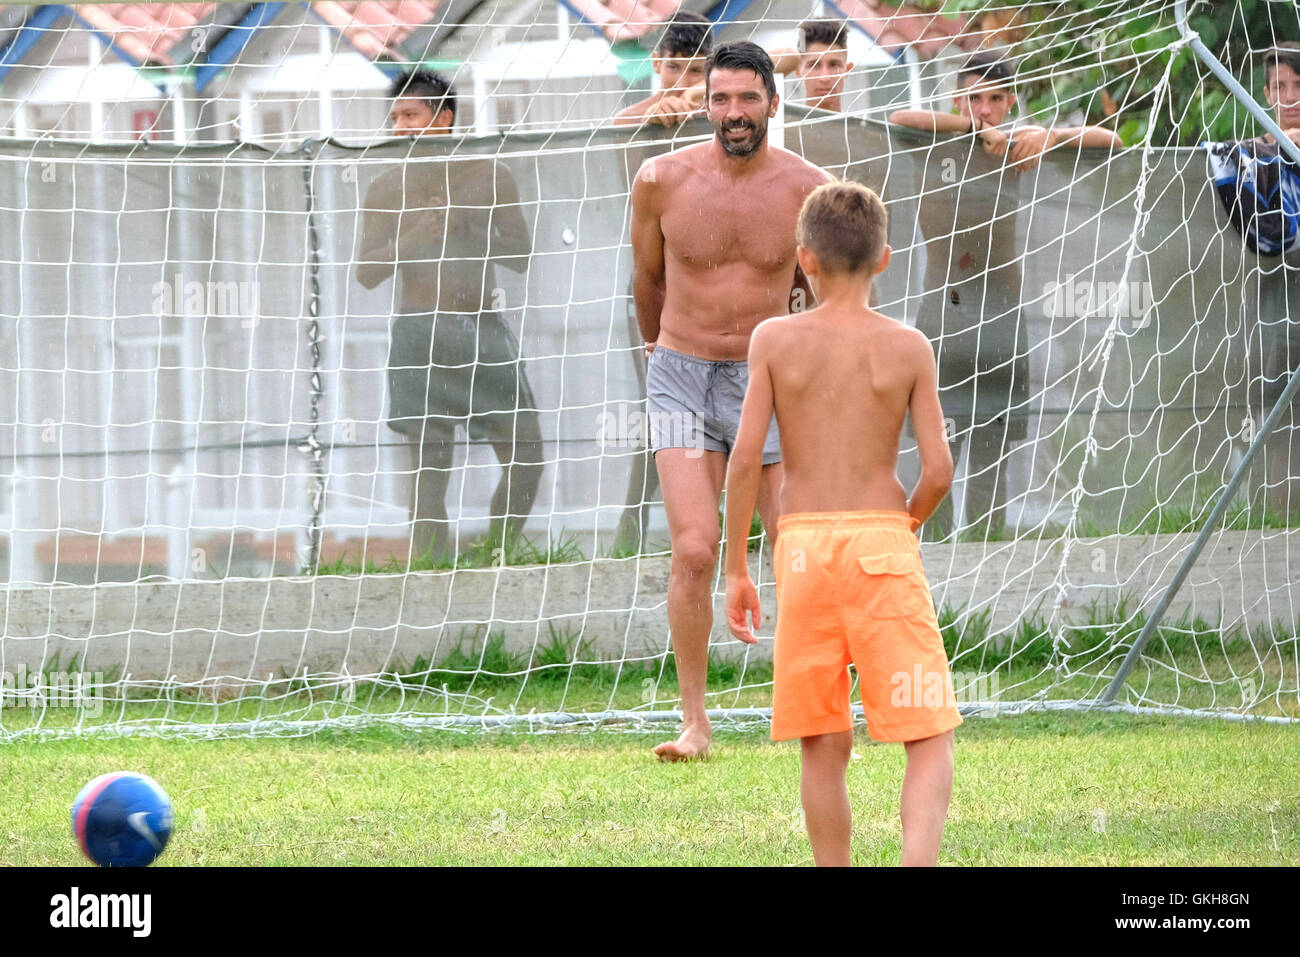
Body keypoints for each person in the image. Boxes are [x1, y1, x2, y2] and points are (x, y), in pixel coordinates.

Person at [723, 180, 961, 867]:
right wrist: (905, 522)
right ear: (884, 259)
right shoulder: (910, 346)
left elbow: (744, 462)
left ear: (805, 260)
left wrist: (737, 566)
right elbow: (939, 469)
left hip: (802, 552)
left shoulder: (772, 338)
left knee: (823, 740)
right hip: (881, 544)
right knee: (928, 732)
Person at [630, 41, 832, 761]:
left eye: (749, 99)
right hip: (681, 375)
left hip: (768, 380)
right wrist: (659, 351)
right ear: (705, 104)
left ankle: (811, 708)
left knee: (792, 545)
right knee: (693, 548)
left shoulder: (810, 188)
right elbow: (647, 280)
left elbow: (821, 292)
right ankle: (696, 723)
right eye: (721, 99)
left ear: (774, 103)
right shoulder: (660, 179)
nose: (734, 113)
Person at [889, 53, 1120, 536]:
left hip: (1001, 311)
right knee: (939, 452)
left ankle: (985, 556)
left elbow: (1112, 140)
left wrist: (1051, 136)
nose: (985, 109)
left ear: (1011, 102)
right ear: (958, 99)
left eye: (996, 100)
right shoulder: (935, 139)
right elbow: (899, 117)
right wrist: (974, 129)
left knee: (994, 451)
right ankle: (930, 556)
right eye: (974, 98)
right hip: (944, 311)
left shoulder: (1020, 146)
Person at [356, 70, 543, 563]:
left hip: (482, 328)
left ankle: (494, 552)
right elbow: (366, 272)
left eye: (410, 115)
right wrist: (412, 239)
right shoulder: (384, 185)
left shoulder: (488, 174)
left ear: (443, 119)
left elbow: (520, 254)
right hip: (420, 333)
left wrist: (466, 226)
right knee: (429, 468)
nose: (400, 127)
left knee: (527, 456)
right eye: (395, 117)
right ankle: (435, 571)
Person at [1207, 43, 1300, 517]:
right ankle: (1278, 513)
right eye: (1279, 88)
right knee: (1275, 411)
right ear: (1264, 94)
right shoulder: (1253, 158)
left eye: (1298, 86)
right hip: (1276, 300)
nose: (1289, 97)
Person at [612, 11, 713, 128]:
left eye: (695, 70)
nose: (682, 84)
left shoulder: (719, 113)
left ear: (709, 70)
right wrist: (649, 125)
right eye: (673, 67)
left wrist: (690, 94)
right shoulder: (628, 120)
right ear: (656, 63)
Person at [770, 18, 855, 113]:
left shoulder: (861, 127)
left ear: (848, 70)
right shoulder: (783, 125)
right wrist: (791, 56)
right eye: (814, 66)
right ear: (798, 71)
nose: (825, 77)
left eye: (834, 65)